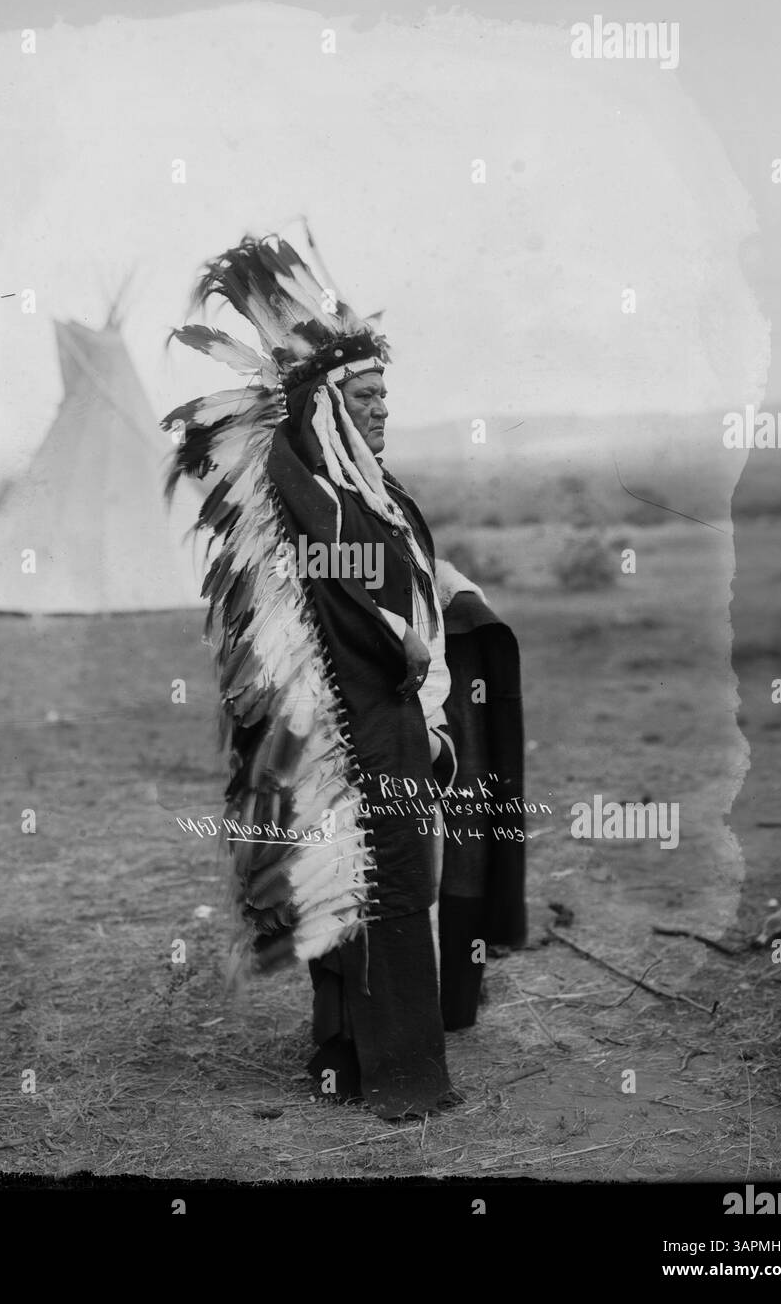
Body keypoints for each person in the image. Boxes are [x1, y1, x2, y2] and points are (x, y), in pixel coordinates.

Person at [164, 231, 526, 1119]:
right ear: (324, 406)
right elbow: (340, 604)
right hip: (355, 729)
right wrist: (401, 641)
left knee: (375, 885)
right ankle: (396, 1075)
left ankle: (350, 1056)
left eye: (384, 398)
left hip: (389, 719)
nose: (380, 412)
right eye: (364, 397)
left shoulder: (367, 493)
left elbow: (404, 577)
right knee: (383, 883)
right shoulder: (312, 496)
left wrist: (453, 612)